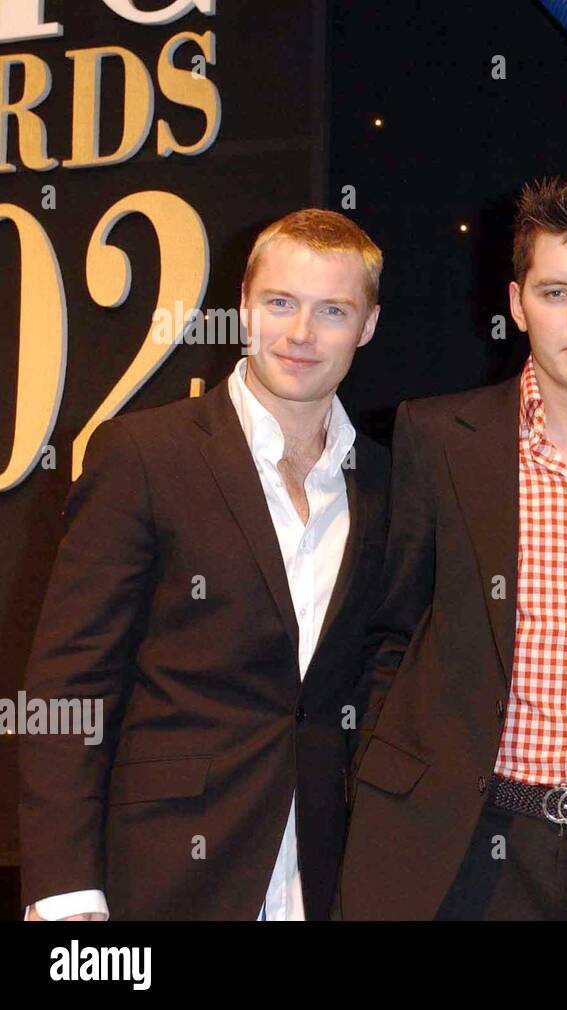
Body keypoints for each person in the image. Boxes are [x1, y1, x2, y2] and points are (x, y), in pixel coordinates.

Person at [337, 170, 567, 920]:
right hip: (464, 841)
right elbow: (386, 632)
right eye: (556, 292)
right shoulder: (437, 438)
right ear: (517, 305)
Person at [21, 209, 389, 919]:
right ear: (245, 306)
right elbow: (69, 684)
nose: (301, 334)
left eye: (332, 310)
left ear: (367, 325)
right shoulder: (144, 456)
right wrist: (64, 888)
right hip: (161, 872)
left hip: (327, 873)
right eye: (281, 303)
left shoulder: (385, 479)